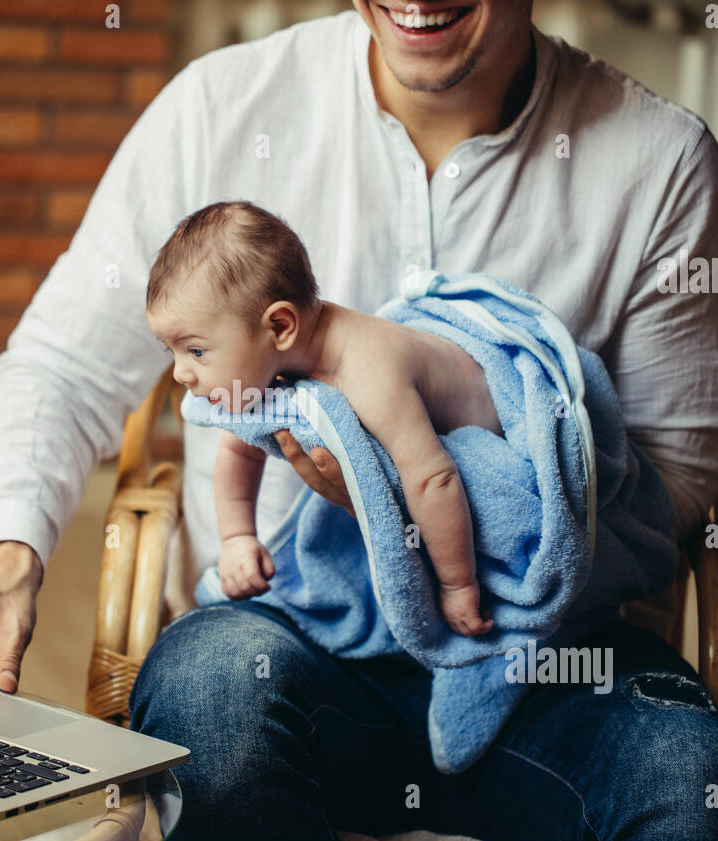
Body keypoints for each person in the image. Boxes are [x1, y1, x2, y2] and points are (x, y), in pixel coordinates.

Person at [0, 0, 718, 841]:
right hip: (288, 638)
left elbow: (674, 480)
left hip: (543, 658)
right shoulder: (218, 107)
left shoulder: (661, 162)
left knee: (684, 775)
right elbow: (63, 367)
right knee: (208, 698)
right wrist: (6, 544)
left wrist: (450, 528)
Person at [145, 199, 501, 638]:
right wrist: (237, 538)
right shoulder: (271, 363)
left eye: (196, 351)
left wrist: (458, 584)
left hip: (486, 432)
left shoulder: (370, 370)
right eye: (173, 351)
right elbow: (242, 444)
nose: (181, 373)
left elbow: (434, 479)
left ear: (279, 327)